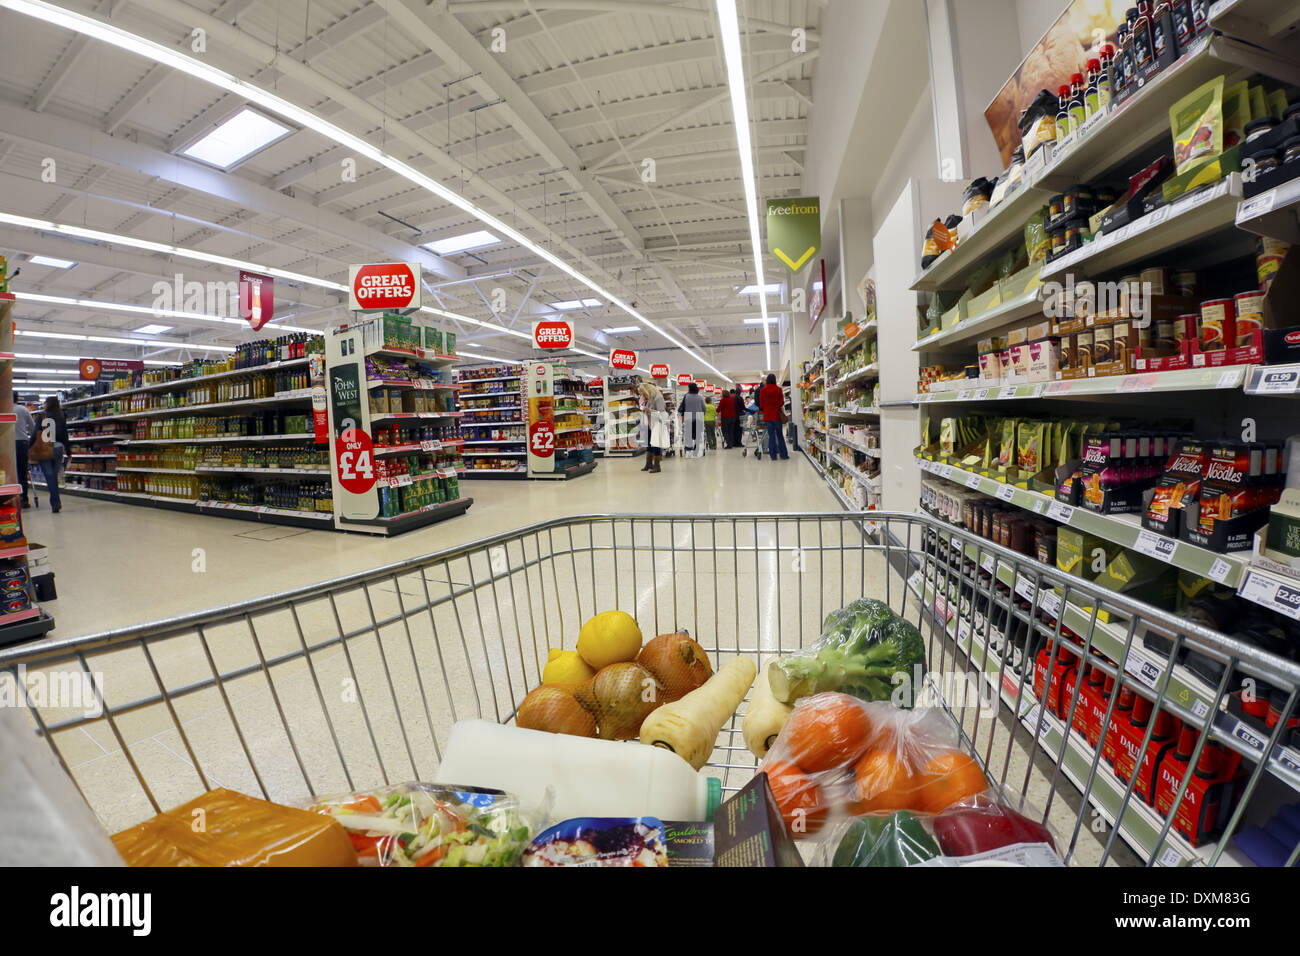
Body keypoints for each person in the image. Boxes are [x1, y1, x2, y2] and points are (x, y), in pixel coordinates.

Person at [32, 396, 69, 513]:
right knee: (54, 476)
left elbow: (35, 433)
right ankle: (56, 502)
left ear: (47, 404)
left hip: (45, 449)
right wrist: (68, 450)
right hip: (58, 449)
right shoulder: (61, 415)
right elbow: (65, 435)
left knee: (50, 477)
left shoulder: (42, 415)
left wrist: (29, 446)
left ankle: (55, 502)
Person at [757, 373, 789, 461]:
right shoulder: (778, 389)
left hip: (767, 416)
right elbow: (782, 403)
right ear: (774, 380)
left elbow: (761, 404)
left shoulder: (762, 390)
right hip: (777, 416)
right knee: (780, 435)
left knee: (771, 436)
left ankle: (773, 456)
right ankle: (783, 455)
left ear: (767, 381)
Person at [639, 382, 668, 473]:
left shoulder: (658, 398)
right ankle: (649, 463)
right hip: (651, 423)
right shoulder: (651, 398)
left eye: (644, 393)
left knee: (655, 444)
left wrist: (649, 410)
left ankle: (657, 465)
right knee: (649, 444)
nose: (643, 395)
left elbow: (661, 413)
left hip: (657, 424)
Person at [13, 392, 33, 508]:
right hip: (22, 443)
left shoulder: (3, 409)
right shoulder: (23, 409)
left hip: (6, 443)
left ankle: (9, 498)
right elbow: (32, 427)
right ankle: (23, 499)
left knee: (8, 472)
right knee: (22, 472)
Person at [680, 383, 706, 457]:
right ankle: (696, 450)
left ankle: (689, 449)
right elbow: (704, 408)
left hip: (688, 419)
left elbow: (682, 408)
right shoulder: (700, 397)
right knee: (698, 435)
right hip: (698, 418)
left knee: (689, 435)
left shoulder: (686, 397)